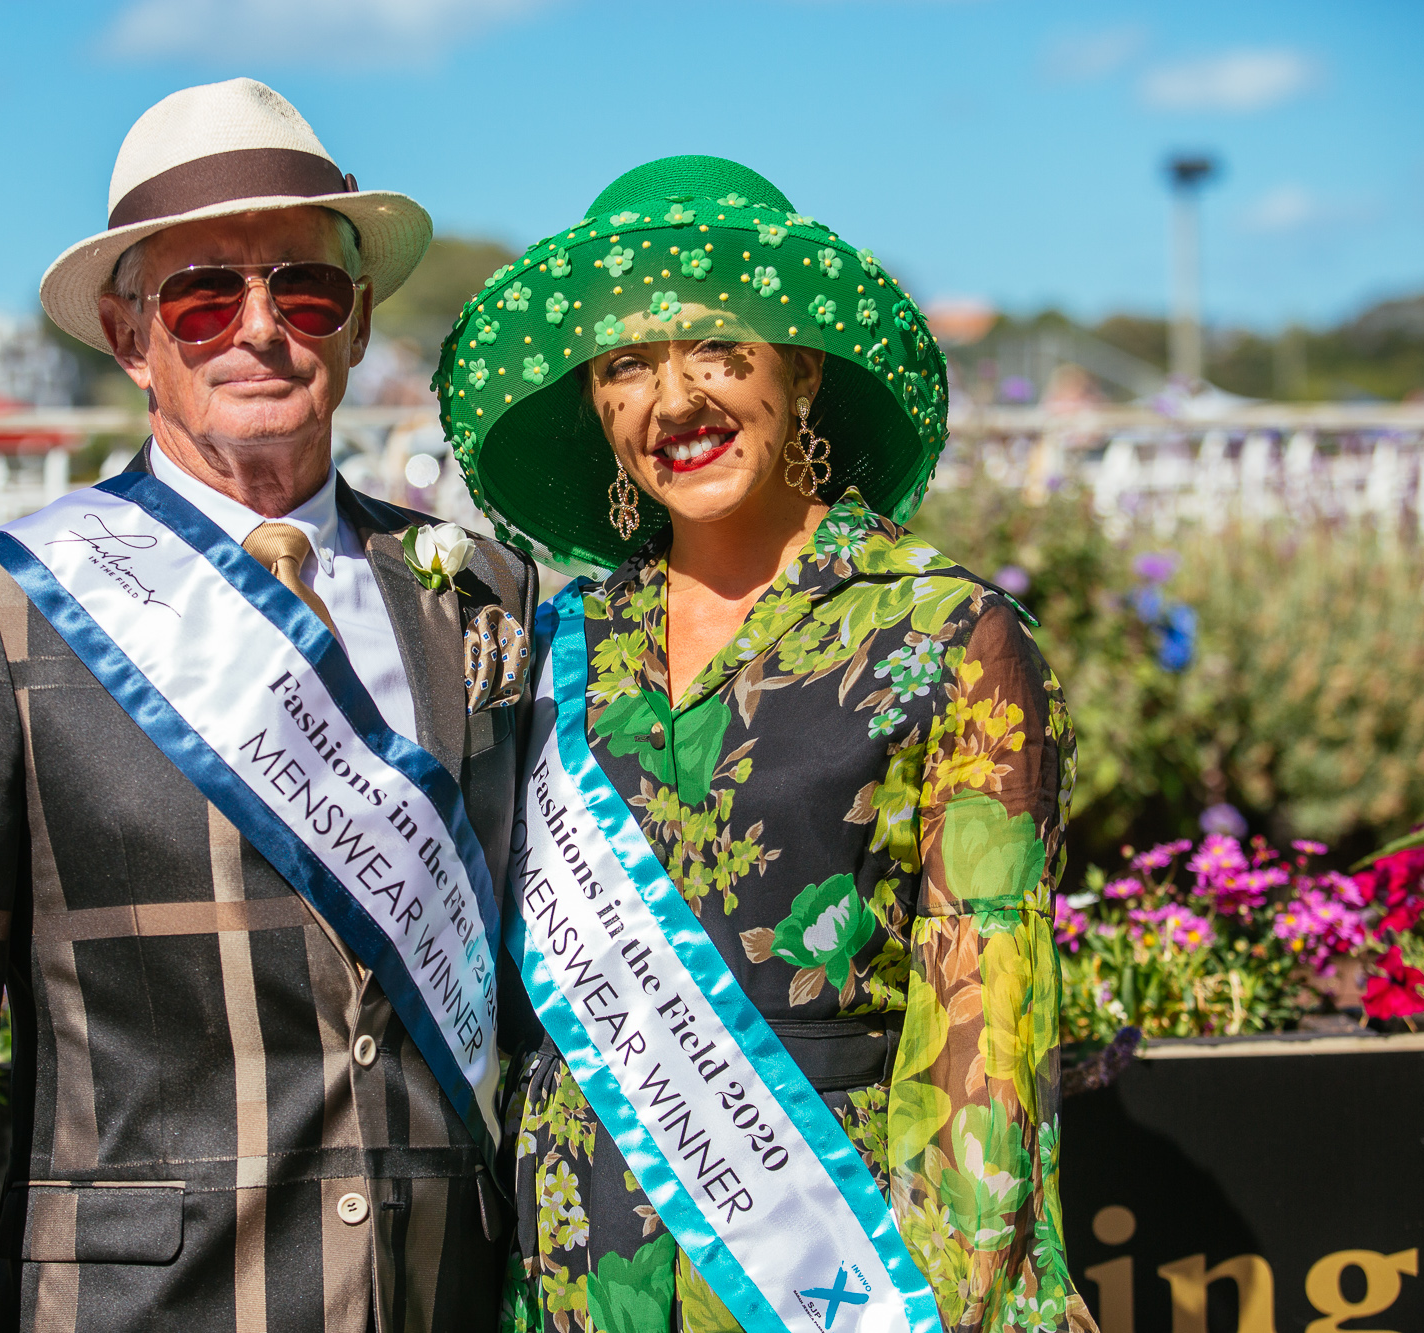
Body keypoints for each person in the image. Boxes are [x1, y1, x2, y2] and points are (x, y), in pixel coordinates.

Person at [0, 78, 537, 1333]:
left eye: (303, 290)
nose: (259, 330)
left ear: (357, 321)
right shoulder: (2, 610)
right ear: (128, 333)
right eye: (204, 295)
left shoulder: (478, 593)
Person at [436, 157, 1096, 1332]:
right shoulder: (557, 643)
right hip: (574, 1260)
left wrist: (948, 1296)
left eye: (714, 347)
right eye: (625, 365)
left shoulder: (947, 636)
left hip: (830, 1264)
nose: (672, 400)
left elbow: (984, 1018)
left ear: (800, 368)